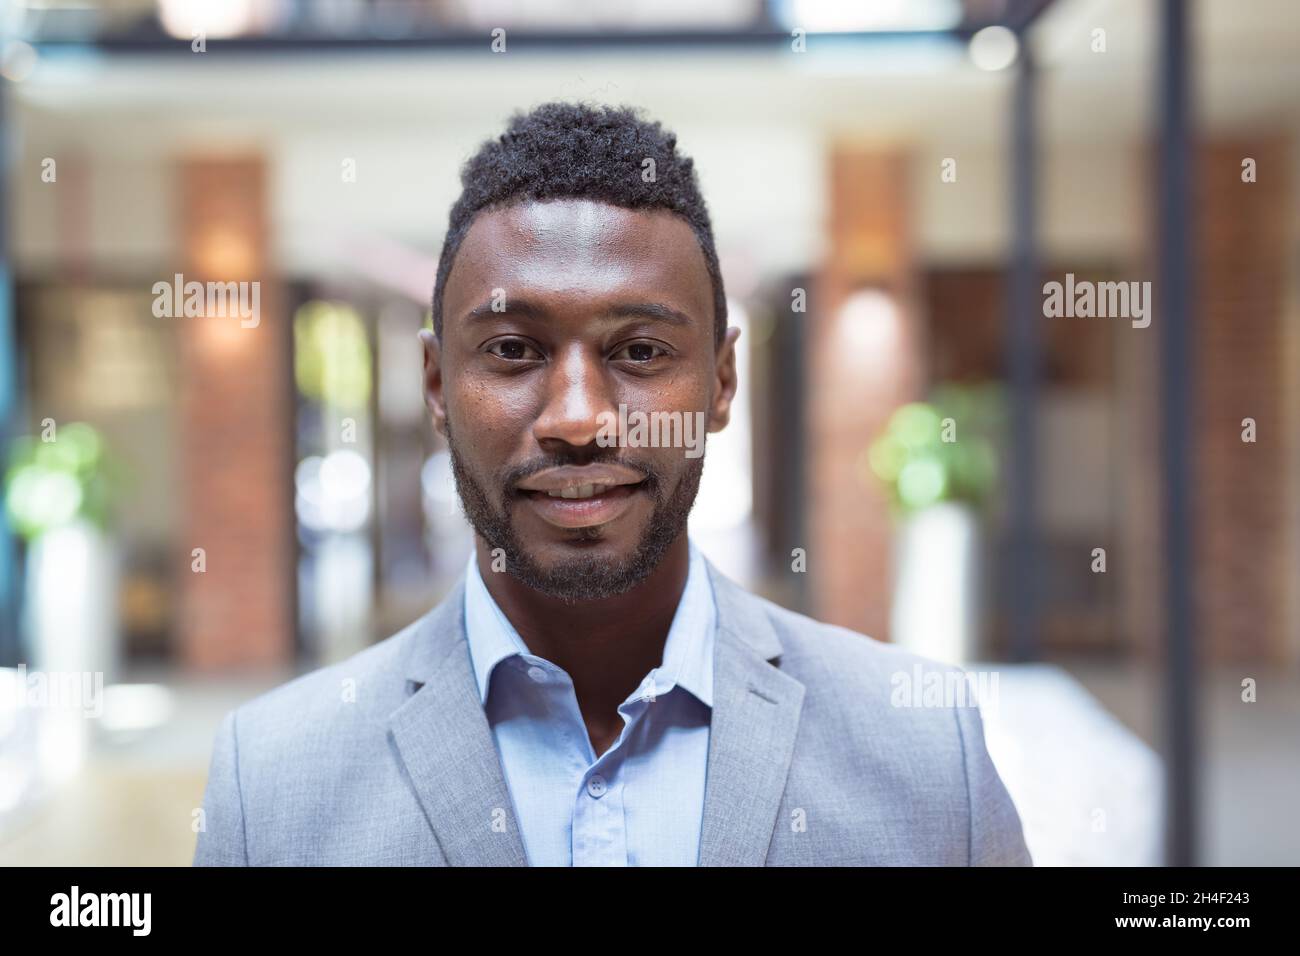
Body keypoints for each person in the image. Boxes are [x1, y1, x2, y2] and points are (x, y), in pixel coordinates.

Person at [194, 102, 1031, 866]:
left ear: (723, 381)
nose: (579, 418)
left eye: (639, 352)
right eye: (514, 350)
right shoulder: (269, 785)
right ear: (438, 385)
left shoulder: (926, 752)